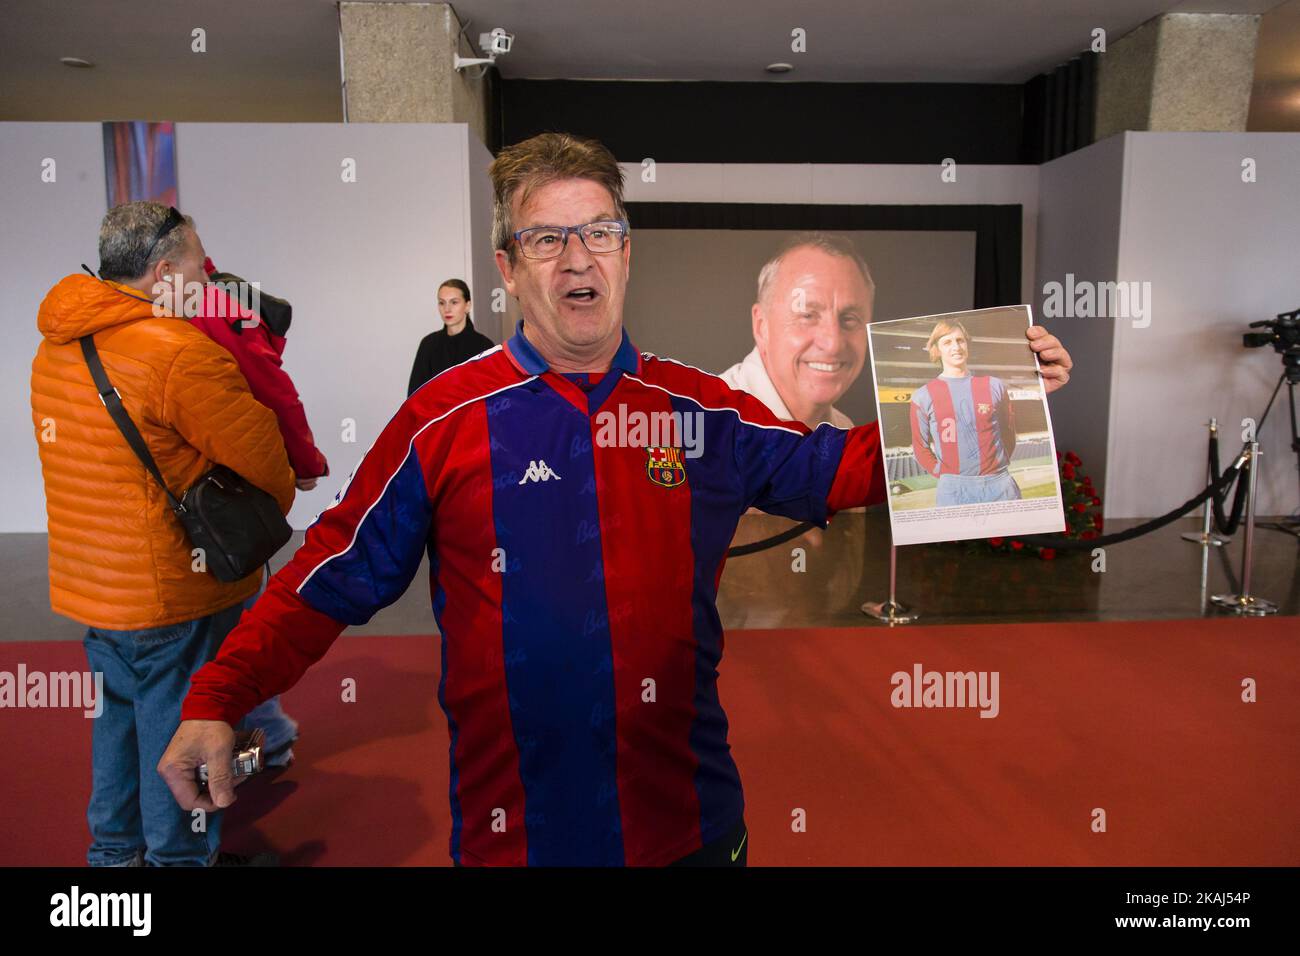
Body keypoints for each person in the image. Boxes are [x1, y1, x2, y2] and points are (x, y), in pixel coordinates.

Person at [158, 133, 1074, 867]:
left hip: (690, 823)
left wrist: (1002, 391)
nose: (575, 257)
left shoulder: (700, 408)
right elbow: (330, 572)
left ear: (626, 254)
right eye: (545, 238)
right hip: (516, 834)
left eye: (597, 231)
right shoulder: (444, 419)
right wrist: (218, 692)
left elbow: (835, 470)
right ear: (508, 267)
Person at [30, 201, 296, 866]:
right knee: (184, 729)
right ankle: (178, 858)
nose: (207, 278)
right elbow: (265, 459)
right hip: (173, 583)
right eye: (198, 266)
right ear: (161, 270)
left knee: (118, 720)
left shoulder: (56, 344)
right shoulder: (176, 351)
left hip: (92, 583)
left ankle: (114, 854)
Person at [190, 256, 332, 768]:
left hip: (181, 499)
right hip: (219, 495)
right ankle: (263, 735)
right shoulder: (219, 306)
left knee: (223, 618)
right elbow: (276, 393)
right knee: (238, 613)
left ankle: (264, 732)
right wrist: (305, 460)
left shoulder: (167, 303)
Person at [719, 233, 871, 429]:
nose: (833, 344)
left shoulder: (844, 429)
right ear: (761, 326)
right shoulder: (701, 426)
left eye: (849, 319)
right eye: (807, 316)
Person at [910, 318, 1022, 506]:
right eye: (947, 342)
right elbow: (920, 448)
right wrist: (945, 475)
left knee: (1013, 537)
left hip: (1000, 484)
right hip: (954, 489)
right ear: (937, 350)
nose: (956, 347)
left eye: (960, 340)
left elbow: (1008, 433)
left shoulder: (994, 385)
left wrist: (996, 469)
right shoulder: (922, 396)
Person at [407, 279, 495, 396]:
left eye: (454, 302)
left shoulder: (484, 346)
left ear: (467, 306)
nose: (447, 309)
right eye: (442, 303)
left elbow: (491, 396)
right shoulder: (428, 344)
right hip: (435, 414)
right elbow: (414, 395)